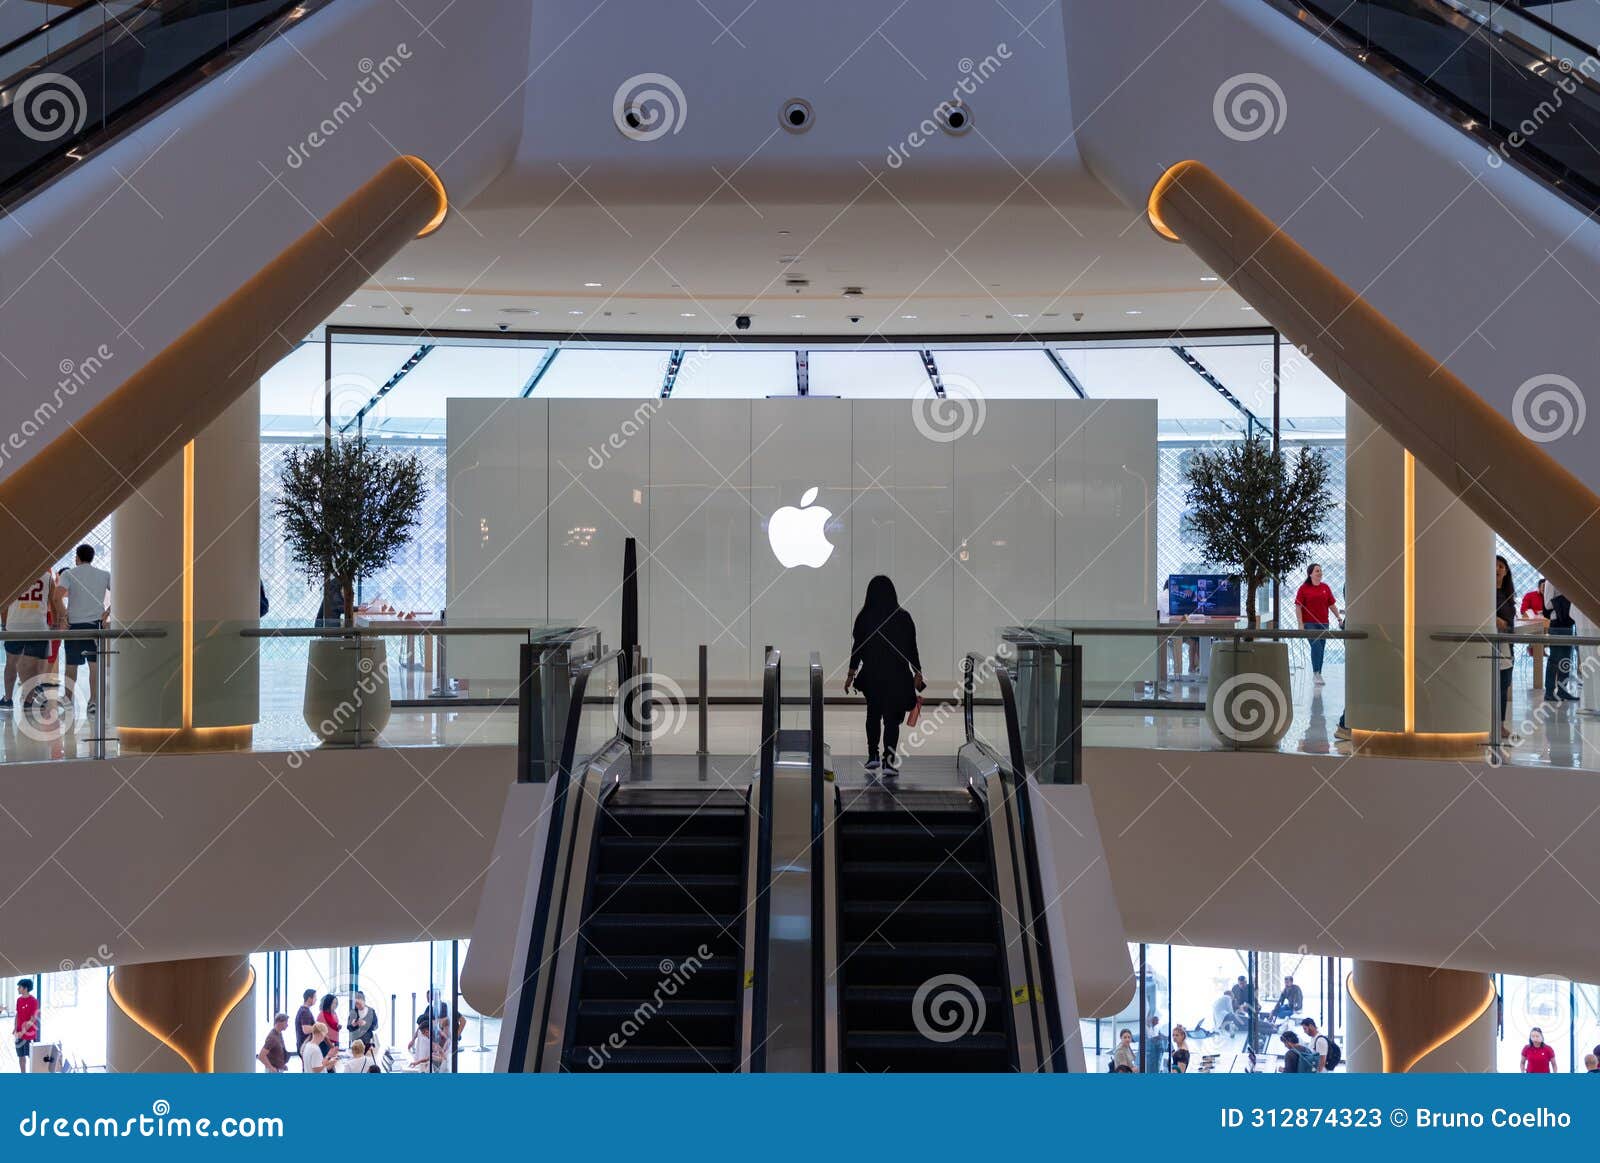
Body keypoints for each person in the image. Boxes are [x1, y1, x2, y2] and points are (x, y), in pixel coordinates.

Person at [844, 575, 923, 776]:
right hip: (898, 675)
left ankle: (873, 756)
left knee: (873, 714)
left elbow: (858, 648)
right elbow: (911, 648)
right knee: (892, 719)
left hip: (872, 675)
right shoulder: (903, 617)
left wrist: (851, 674)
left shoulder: (864, 618)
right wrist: (917, 670)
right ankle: (888, 762)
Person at [57, 545, 110, 715]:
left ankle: (67, 699)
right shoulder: (104, 575)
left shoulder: (68, 574)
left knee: (71, 664)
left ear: (77, 557)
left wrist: (64, 617)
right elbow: (121, 593)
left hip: (75, 625)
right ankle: (93, 701)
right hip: (95, 625)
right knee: (94, 665)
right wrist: (107, 612)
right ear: (92, 557)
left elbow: (56, 597)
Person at [3, 570, 62, 710]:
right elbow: (53, 602)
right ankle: (28, 701)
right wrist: (55, 624)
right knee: (33, 668)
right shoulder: (48, 578)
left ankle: (8, 699)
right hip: (38, 626)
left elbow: (4, 603)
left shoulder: (11, 575)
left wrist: (4, 624)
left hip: (14, 625)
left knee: (11, 663)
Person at [1295, 564, 1341, 685]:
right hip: (1309, 624)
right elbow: (1298, 606)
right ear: (1310, 574)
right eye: (1317, 571)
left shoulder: (1325, 587)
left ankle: (1318, 674)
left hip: (1324, 623)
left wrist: (1338, 618)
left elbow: (1331, 605)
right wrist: (1300, 623)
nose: (1320, 572)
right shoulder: (1303, 588)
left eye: (1320, 570)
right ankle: (1316, 673)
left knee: (1321, 648)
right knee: (1316, 646)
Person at [1496, 556, 1517, 735]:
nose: (1497, 569)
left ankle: (1500, 724)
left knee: (1504, 685)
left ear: (1506, 571)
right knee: (1493, 686)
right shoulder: (1484, 592)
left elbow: (1509, 623)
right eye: (1494, 566)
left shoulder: (1507, 593)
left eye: (1501, 566)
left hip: (1507, 646)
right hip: (1491, 647)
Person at [1545, 590, 1578, 702]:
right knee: (1554, 659)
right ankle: (1549, 692)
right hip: (1557, 623)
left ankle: (1562, 691)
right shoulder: (1551, 582)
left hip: (1567, 622)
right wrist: (1566, 597)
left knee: (1566, 659)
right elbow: (1547, 604)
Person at [13, 978, 38, 1071]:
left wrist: (22, 1032)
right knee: (21, 1056)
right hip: (19, 1033)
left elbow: (32, 1019)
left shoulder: (33, 1001)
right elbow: (18, 1014)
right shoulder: (19, 1000)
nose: (18, 989)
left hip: (29, 1035)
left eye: (19, 987)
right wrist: (15, 1028)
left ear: (26, 988)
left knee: (32, 1057)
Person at [293, 988, 317, 1055]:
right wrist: (320, 1027)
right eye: (315, 997)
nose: (316, 999)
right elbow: (306, 1030)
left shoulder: (303, 1010)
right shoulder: (305, 1012)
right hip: (304, 1046)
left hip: (303, 1045)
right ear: (309, 998)